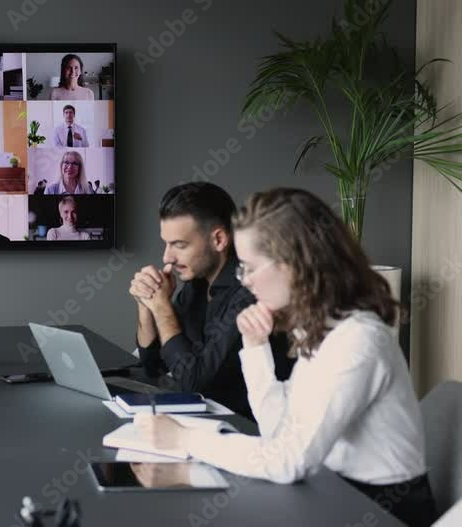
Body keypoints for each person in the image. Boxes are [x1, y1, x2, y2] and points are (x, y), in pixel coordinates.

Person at [136, 188, 436, 527]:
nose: (245, 281)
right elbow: (278, 431)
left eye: (249, 268)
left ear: (292, 263)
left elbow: (289, 460)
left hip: (381, 512)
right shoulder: (320, 326)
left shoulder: (356, 340)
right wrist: (255, 348)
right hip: (328, 491)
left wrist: (186, 439)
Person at [128, 183, 292, 419]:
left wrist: (163, 308)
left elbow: (193, 383)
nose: (167, 257)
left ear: (218, 240)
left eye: (179, 245)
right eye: (166, 243)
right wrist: (146, 306)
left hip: (247, 429)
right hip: (204, 419)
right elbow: (154, 366)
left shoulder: (250, 292)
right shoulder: (196, 284)